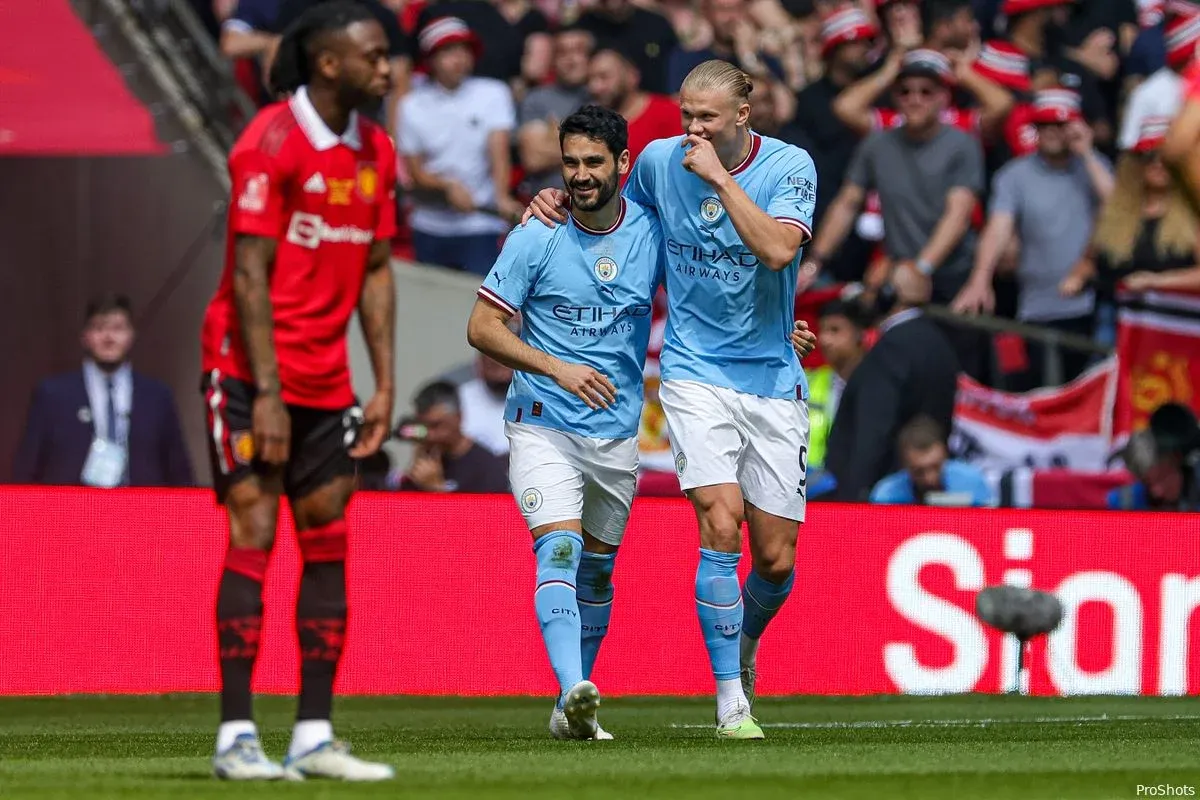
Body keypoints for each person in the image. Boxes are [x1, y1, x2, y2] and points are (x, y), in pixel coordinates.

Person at [526, 59, 817, 740]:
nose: (693, 130)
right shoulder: (659, 161)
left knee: (775, 559)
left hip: (772, 377)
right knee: (720, 524)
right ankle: (729, 705)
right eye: (687, 115)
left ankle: (743, 647)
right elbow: (604, 205)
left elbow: (778, 250)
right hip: (692, 372)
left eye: (707, 119)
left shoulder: (790, 168)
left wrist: (719, 178)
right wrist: (553, 201)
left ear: (743, 114)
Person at [198, 2, 397, 782]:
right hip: (248, 373)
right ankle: (235, 737)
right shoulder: (270, 141)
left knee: (328, 540)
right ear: (329, 63)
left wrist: (382, 384)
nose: (387, 69)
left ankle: (313, 734)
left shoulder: (377, 147)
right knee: (254, 530)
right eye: (376, 57)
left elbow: (377, 268)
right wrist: (270, 392)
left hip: (328, 378)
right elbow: (248, 274)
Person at [467, 105, 665, 740]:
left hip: (614, 433)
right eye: (571, 163)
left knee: (600, 570)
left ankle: (568, 710)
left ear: (622, 165)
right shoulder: (536, 235)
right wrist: (555, 367)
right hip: (541, 421)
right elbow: (481, 327)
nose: (579, 176)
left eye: (593, 163)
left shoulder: (652, 235)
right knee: (558, 547)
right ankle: (575, 690)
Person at [13, 294, 193, 488]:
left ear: (131, 336)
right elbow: (27, 468)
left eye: (117, 328)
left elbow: (179, 471)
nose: (108, 338)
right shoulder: (52, 394)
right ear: (85, 337)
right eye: (99, 328)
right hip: (70, 511)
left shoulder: (157, 397)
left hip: (141, 511)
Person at [825, 265, 959, 502]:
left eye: (872, 289)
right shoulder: (941, 343)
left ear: (888, 295)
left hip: (886, 497)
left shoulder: (890, 351)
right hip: (922, 493)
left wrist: (855, 496)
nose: (866, 297)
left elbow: (874, 431)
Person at [397, 380, 509, 493]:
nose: (429, 435)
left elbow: (490, 509)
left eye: (436, 425)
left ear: (459, 417)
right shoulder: (426, 457)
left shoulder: (487, 468)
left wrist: (437, 489)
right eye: (423, 427)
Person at [870, 415, 992, 506]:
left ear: (945, 456)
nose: (930, 478)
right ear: (904, 466)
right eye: (919, 471)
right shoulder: (886, 495)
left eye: (936, 467)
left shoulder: (972, 482)